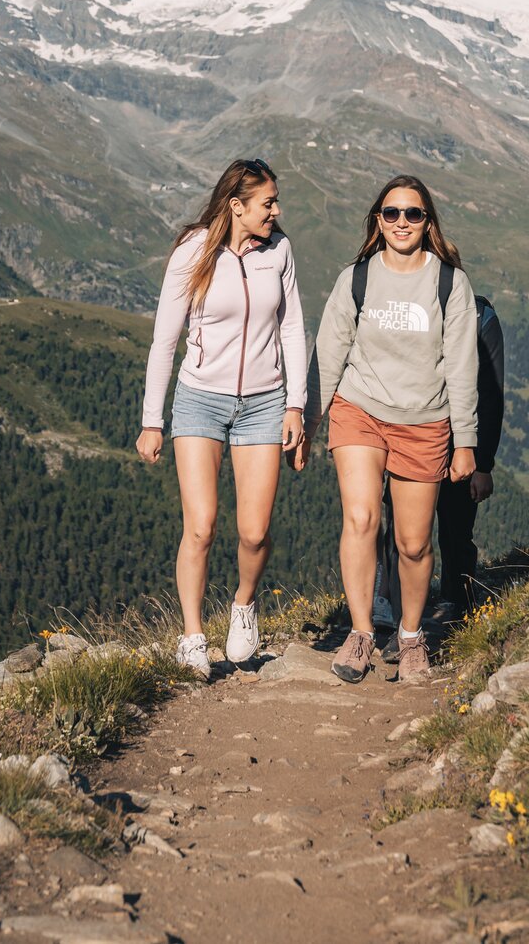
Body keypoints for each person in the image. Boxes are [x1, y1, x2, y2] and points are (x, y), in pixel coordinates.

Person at [300, 174, 478, 685]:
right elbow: (328, 352)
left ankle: (410, 635)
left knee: (414, 543)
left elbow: (463, 367)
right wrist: (311, 423)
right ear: (378, 220)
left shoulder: (450, 283)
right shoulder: (356, 277)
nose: (402, 222)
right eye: (392, 213)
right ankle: (360, 633)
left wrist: (465, 442)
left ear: (428, 223)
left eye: (413, 214)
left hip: (424, 420)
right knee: (360, 519)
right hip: (359, 408)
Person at [136, 158, 306, 680]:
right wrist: (152, 420)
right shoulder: (193, 251)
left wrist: (296, 404)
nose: (277, 211)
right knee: (202, 527)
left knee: (254, 533)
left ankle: (244, 606)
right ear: (237, 206)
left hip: (263, 402)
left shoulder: (279, 250)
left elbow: (293, 328)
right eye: (268, 203)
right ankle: (191, 637)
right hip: (199, 399)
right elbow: (166, 340)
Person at [377, 293, 504, 649]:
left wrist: (483, 463)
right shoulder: (412, 310)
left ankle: (460, 609)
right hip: (413, 438)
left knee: (456, 531)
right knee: (401, 533)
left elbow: (491, 395)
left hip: (459, 447)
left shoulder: (481, 318)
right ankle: (396, 615)